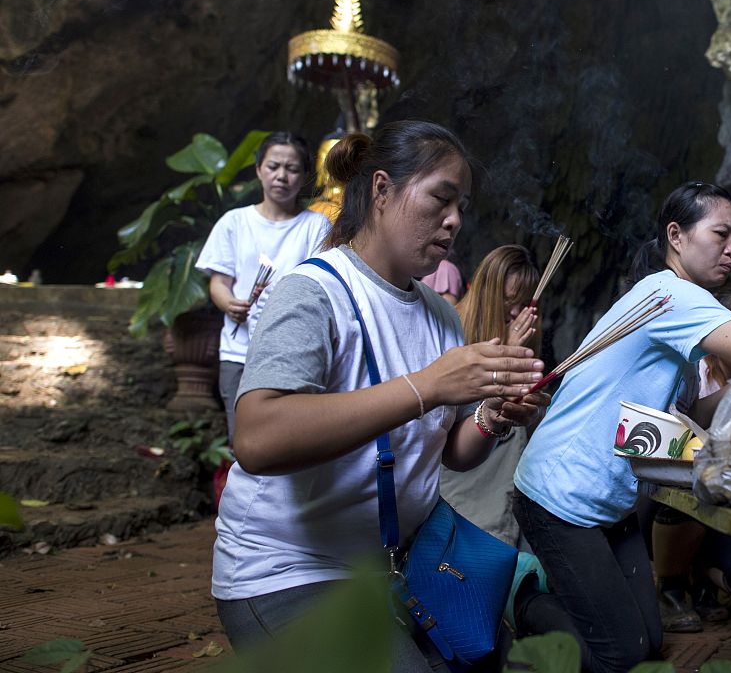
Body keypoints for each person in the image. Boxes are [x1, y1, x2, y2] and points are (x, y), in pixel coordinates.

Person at [211, 120, 547, 672]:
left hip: (395, 567)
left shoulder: (440, 315)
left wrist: (492, 414)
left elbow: (453, 452)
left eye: (461, 205)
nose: (455, 220)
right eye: (441, 199)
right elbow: (257, 437)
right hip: (289, 572)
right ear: (382, 190)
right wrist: (429, 385)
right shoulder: (315, 292)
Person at [511, 181, 731, 673]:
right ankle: (523, 605)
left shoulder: (669, 300)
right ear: (676, 236)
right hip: (559, 496)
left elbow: (688, 418)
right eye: (721, 234)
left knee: (649, 641)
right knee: (622, 656)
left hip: (607, 502)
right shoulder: (671, 294)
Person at [195, 132, 331, 442]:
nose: (281, 176)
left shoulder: (316, 226)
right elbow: (219, 283)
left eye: (292, 168)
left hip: (294, 353)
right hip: (239, 353)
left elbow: (321, 287)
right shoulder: (234, 222)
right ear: (258, 170)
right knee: (243, 442)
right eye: (273, 166)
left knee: (289, 442)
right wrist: (229, 303)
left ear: (304, 176)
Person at [654, 282, 731, 632]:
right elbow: (682, 429)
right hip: (673, 499)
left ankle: (700, 570)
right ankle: (670, 587)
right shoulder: (691, 370)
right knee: (689, 486)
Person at [440, 245, 541, 546]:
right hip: (459, 485)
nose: (515, 312)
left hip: (503, 494)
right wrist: (507, 352)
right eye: (509, 301)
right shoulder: (451, 329)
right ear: (487, 294)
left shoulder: (522, 334)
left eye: (524, 305)